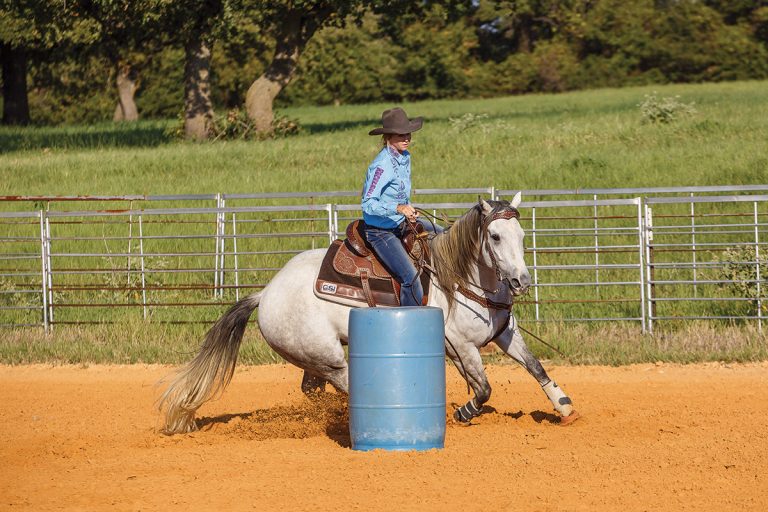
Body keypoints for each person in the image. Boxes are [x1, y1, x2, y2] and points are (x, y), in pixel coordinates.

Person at [361, 107, 438, 307]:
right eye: (400, 134)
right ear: (389, 136)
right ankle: (409, 328)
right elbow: (368, 203)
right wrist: (397, 208)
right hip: (380, 231)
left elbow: (400, 192)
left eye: (408, 133)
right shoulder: (382, 165)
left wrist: (408, 209)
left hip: (400, 223)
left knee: (444, 235)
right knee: (410, 279)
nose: (406, 138)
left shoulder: (405, 157)